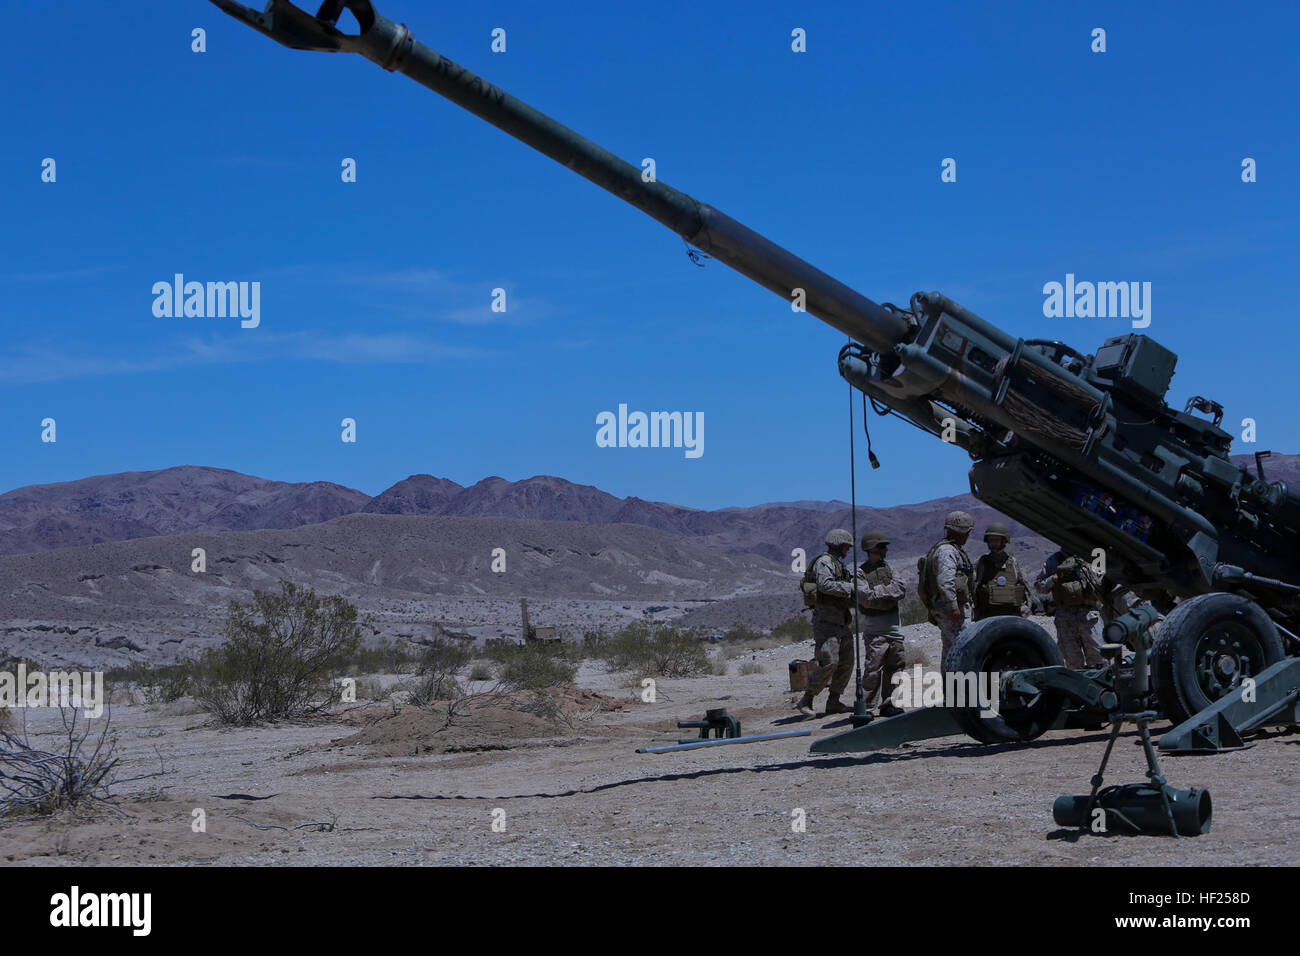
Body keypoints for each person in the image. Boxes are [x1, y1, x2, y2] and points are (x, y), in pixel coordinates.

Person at [795, 529, 856, 717]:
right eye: (846, 545)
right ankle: (807, 699)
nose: (848, 549)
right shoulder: (825, 562)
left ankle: (834, 701)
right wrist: (849, 587)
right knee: (829, 662)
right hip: (826, 622)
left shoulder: (838, 564)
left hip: (841, 620)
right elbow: (825, 585)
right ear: (838, 544)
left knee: (847, 662)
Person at [856, 531, 908, 717]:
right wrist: (886, 592)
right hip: (874, 630)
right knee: (872, 670)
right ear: (872, 548)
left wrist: (877, 592)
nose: (886, 550)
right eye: (882, 547)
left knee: (896, 667)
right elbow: (865, 598)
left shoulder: (891, 568)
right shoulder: (860, 573)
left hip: (894, 628)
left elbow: (901, 589)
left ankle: (890, 704)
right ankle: (868, 707)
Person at [1035, 549, 1104, 668]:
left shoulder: (1093, 556)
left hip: (1089, 613)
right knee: (1072, 660)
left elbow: (1103, 582)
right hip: (1065, 616)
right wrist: (1053, 579)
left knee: (1098, 658)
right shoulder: (1053, 560)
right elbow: (1040, 587)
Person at [921, 511, 974, 665]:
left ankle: (951, 686)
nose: (968, 536)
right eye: (967, 532)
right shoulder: (947, 551)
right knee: (964, 649)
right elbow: (945, 581)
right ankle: (962, 686)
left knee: (950, 649)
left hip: (948, 608)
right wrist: (953, 607)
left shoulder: (950, 548)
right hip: (950, 609)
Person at [971, 522, 1030, 622]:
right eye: (991, 540)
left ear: (1004, 541)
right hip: (987, 615)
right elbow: (974, 586)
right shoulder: (982, 562)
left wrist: (1028, 607)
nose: (993, 543)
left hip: (1012, 613)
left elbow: (1024, 585)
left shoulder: (1013, 562)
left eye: (996, 540)